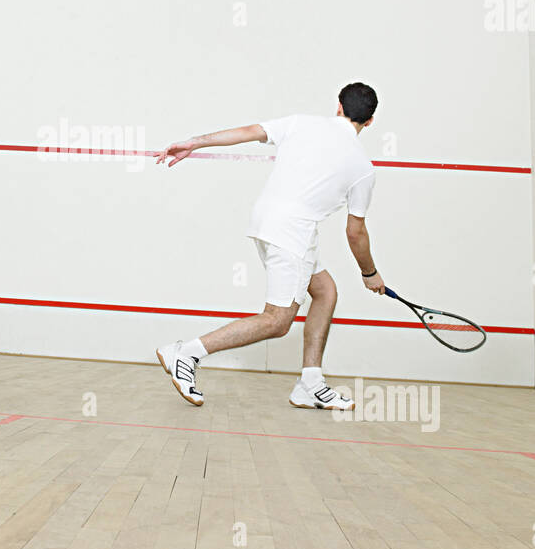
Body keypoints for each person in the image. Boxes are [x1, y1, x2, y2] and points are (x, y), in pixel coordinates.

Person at [154, 83, 385, 410]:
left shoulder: (301, 122)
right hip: (294, 234)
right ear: (371, 121)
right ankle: (186, 352)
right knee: (277, 321)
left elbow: (248, 131)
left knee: (325, 292)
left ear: (338, 106)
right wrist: (370, 273)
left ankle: (310, 383)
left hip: (266, 220)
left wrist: (194, 142)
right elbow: (355, 232)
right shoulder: (363, 167)